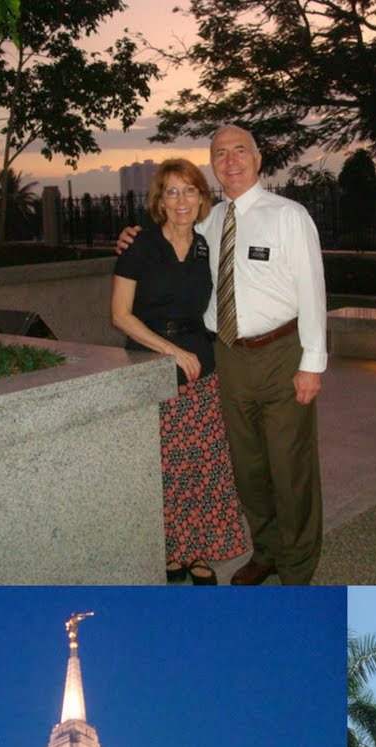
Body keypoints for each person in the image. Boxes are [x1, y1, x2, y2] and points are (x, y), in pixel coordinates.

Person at [118, 124, 328, 585]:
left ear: (257, 159)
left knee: (290, 467)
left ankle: (297, 566)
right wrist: (131, 238)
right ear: (212, 166)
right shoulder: (206, 225)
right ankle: (267, 550)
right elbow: (163, 246)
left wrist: (312, 363)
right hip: (227, 357)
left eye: (239, 151)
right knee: (247, 467)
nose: (230, 160)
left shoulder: (288, 216)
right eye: (220, 154)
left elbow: (313, 291)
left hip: (280, 354)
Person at [111, 158, 249, 586]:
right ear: (159, 200)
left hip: (201, 367)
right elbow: (120, 315)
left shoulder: (207, 243)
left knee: (203, 467)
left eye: (190, 190)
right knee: (168, 471)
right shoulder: (139, 245)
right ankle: (172, 553)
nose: (181, 200)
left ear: (203, 198)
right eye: (172, 191)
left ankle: (199, 553)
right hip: (154, 365)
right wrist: (170, 352)